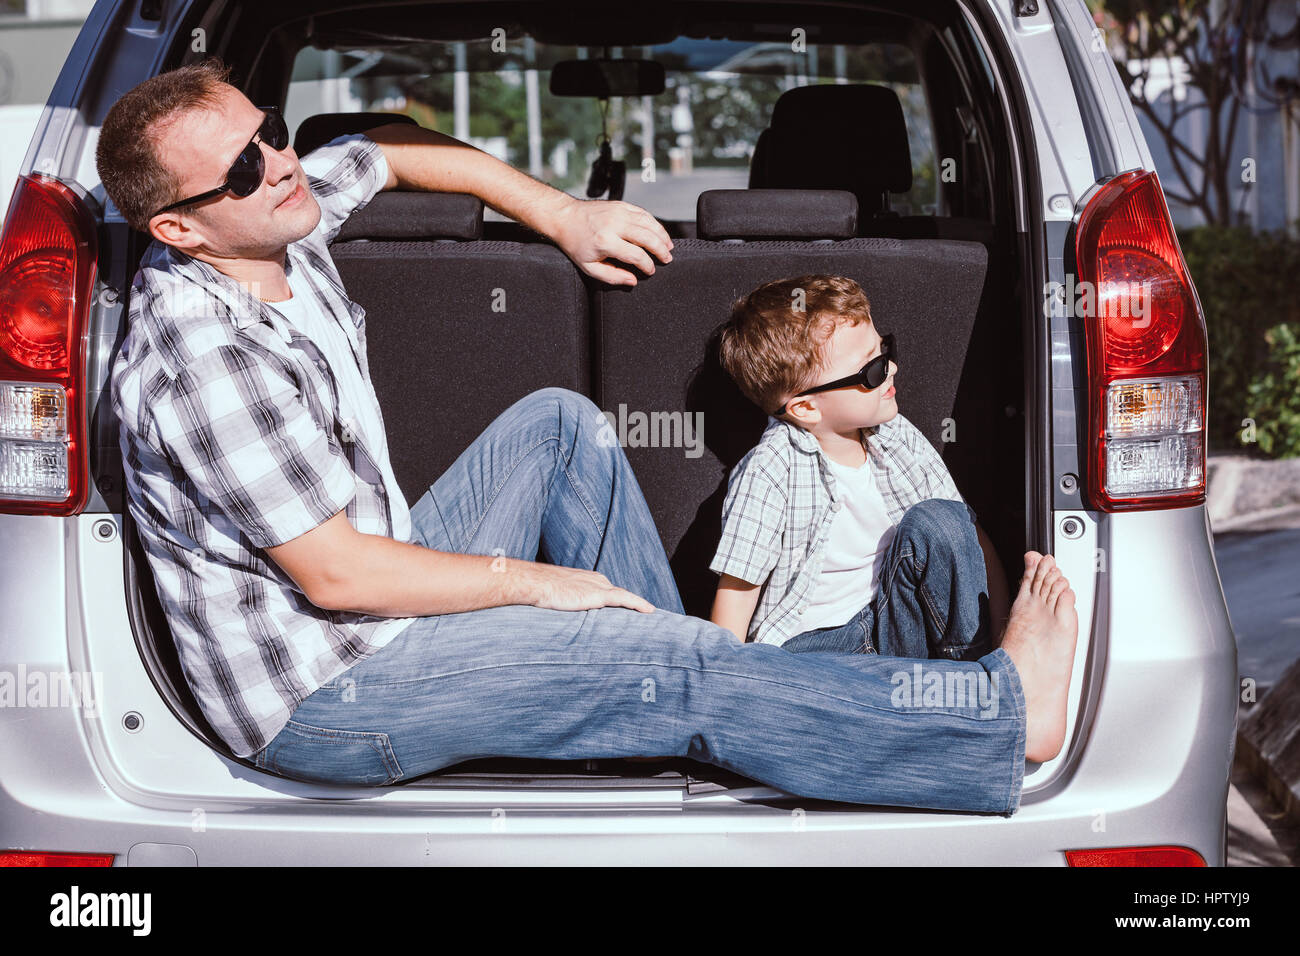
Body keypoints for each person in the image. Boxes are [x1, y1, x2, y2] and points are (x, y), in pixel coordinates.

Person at [102, 59, 1077, 814]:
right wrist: (533, 580)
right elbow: (339, 579)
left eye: (269, 133)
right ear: (180, 231)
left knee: (559, 428)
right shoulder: (202, 358)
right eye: (242, 167)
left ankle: (684, 683)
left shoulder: (276, 217)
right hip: (328, 690)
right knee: (683, 668)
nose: (277, 164)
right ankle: (992, 719)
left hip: (362, 604)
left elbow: (387, 147)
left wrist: (559, 211)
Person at [710, 274, 1015, 666]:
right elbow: (738, 589)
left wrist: (1005, 644)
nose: (890, 371)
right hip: (816, 652)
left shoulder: (896, 436)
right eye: (870, 371)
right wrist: (723, 681)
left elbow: (968, 540)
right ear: (805, 408)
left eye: (884, 352)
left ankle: (969, 677)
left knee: (942, 519)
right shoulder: (770, 469)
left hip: (896, 626)